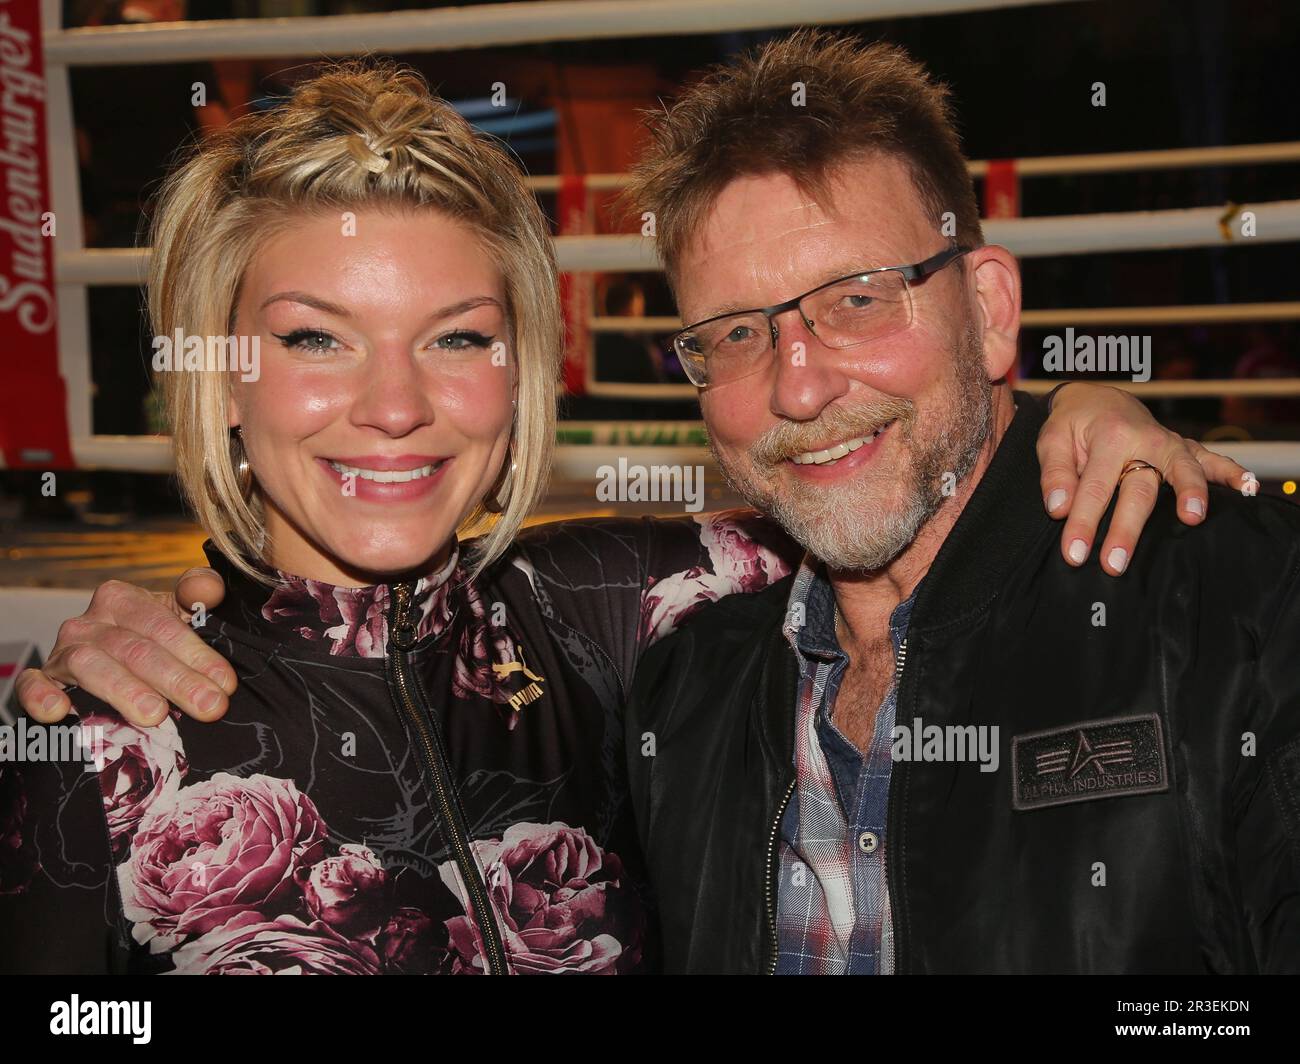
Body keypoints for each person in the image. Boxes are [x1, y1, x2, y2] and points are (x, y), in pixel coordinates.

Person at [5, 53, 1245, 976]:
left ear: (520, 372)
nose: (393, 404)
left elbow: (882, 484)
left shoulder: (617, 609)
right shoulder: (97, 736)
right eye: (316, 336)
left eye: (457, 337)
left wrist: (1065, 415)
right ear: (222, 375)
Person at [618, 31, 1300, 974]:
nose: (799, 390)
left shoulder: (1239, 604)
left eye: (856, 300)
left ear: (988, 310)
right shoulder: (680, 692)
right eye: (736, 334)